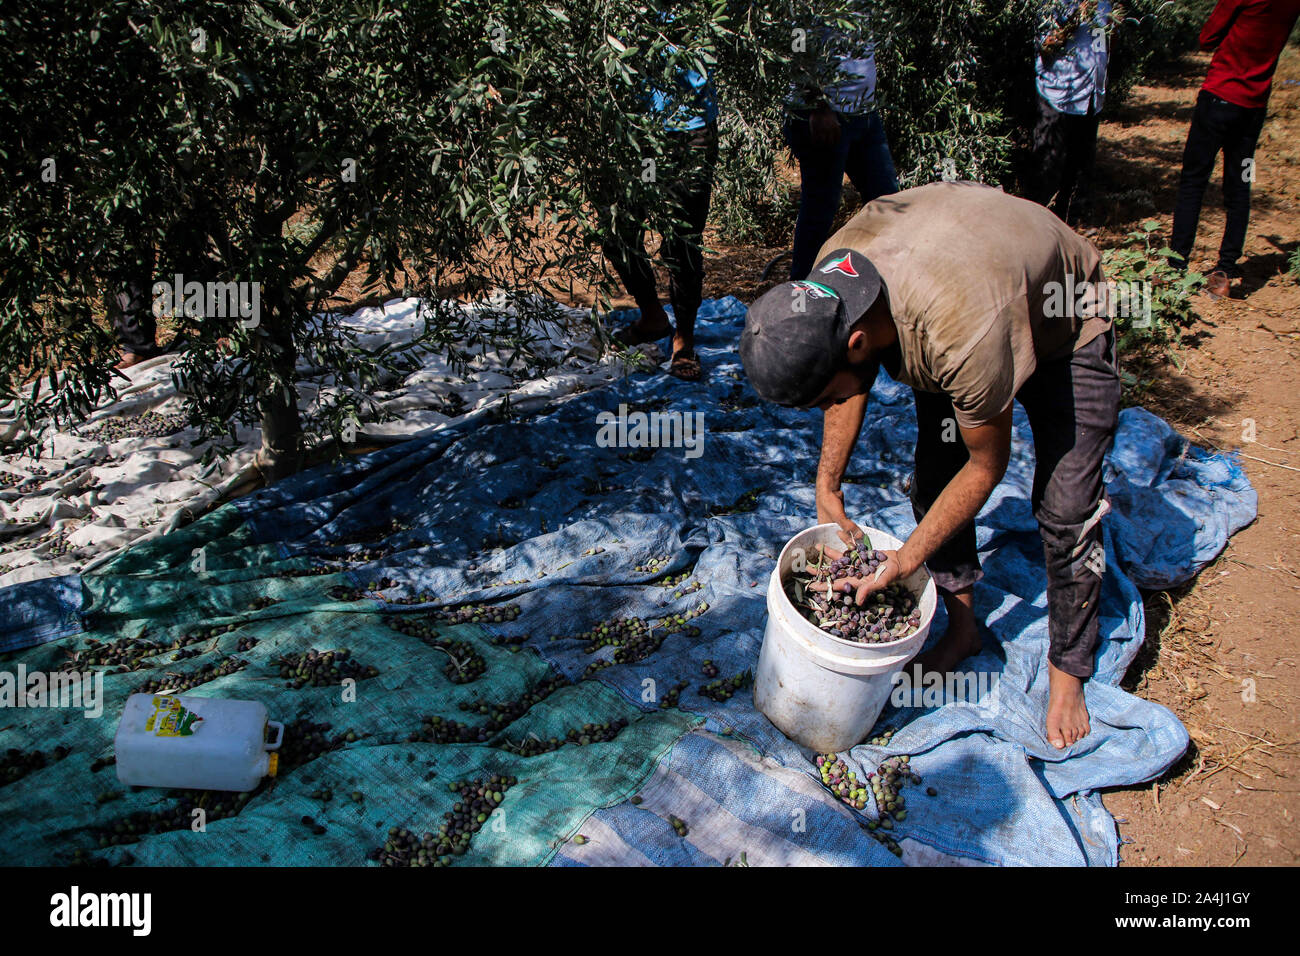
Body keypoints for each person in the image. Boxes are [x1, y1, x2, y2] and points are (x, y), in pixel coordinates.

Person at [739, 182, 1121, 751]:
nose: (829, 409)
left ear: (860, 340)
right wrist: (828, 486)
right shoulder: (833, 278)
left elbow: (988, 465)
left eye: (824, 400)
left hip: (1064, 316)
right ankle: (963, 630)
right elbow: (850, 387)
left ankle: (1069, 672)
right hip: (971, 292)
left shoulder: (957, 336)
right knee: (933, 476)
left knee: (1066, 507)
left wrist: (904, 561)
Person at [1169, 0, 1300, 299]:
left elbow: (1207, 38)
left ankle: (1175, 267)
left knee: (1193, 181)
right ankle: (1225, 271)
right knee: (1240, 186)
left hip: (1218, 99)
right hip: (1252, 110)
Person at [605, 39, 718, 381]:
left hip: (690, 129)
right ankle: (653, 317)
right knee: (618, 233)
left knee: (681, 240)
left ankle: (684, 340)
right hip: (636, 128)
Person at [785, 17, 899, 281]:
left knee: (888, 203)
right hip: (824, 116)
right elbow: (797, 40)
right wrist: (817, 105)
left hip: (864, 113)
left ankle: (890, 292)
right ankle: (800, 299)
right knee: (820, 212)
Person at [1026, 0, 1116, 225]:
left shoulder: (1105, 2)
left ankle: (1071, 223)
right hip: (1059, 93)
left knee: (1079, 166)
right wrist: (1077, 15)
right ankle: (1037, 224)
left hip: (1091, 96)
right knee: (1048, 165)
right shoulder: (1055, 3)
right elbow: (1046, 45)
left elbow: (1103, 38)